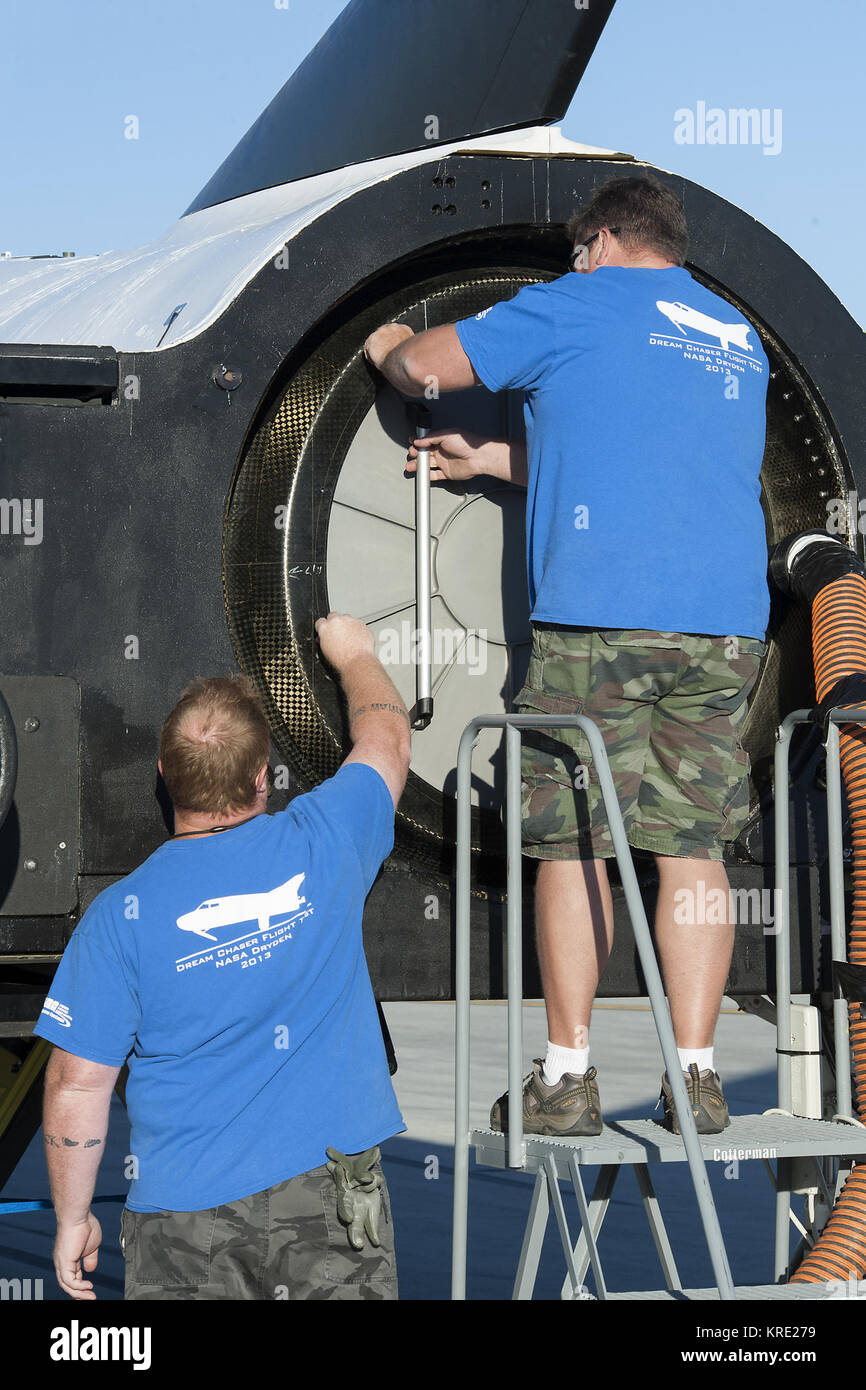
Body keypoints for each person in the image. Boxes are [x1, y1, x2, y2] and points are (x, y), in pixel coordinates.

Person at [364, 176, 769, 1137]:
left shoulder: (574, 300)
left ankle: (569, 1076)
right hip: (724, 631)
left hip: (599, 628)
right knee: (693, 847)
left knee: (574, 841)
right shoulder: (732, 334)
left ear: (598, 242)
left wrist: (384, 342)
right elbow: (643, 456)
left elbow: (427, 367)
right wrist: (499, 462)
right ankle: (699, 1075)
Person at [33, 613, 411, 1300]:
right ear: (262, 779)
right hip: (326, 1201)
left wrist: (72, 1218)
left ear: (163, 773)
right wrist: (355, 654)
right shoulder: (328, 837)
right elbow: (386, 736)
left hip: (182, 1224)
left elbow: (75, 1087)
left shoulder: (120, 917)